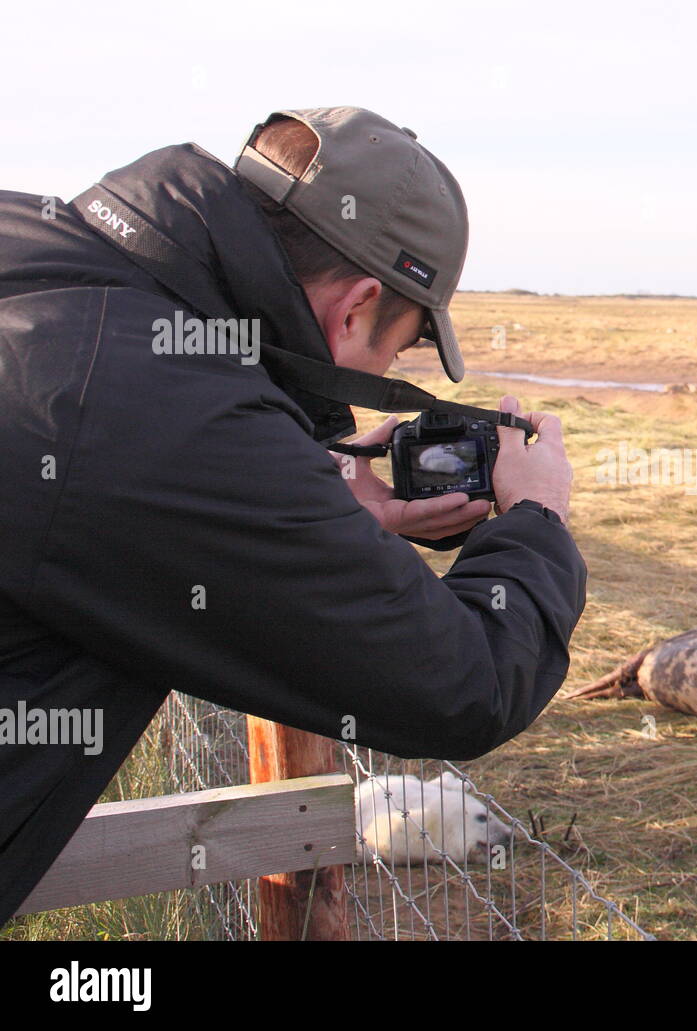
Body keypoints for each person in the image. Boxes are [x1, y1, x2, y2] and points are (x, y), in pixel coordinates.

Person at [0, 107, 584, 923]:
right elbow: (466, 683)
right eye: (401, 347)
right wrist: (538, 519)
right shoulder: (178, 423)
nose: (383, 371)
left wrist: (306, 489)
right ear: (357, 310)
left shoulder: (37, 244)